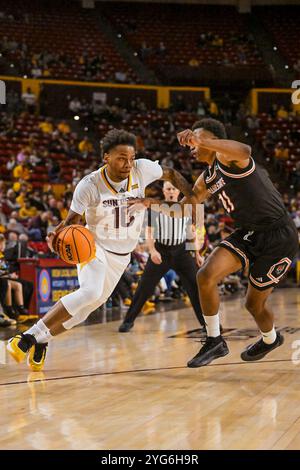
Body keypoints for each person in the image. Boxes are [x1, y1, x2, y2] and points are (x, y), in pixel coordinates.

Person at [7, 129, 193, 371]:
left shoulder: (142, 169)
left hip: (122, 255)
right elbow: (73, 220)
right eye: (121, 158)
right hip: (95, 247)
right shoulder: (89, 184)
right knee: (91, 291)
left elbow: (170, 173)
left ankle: (42, 340)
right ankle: (27, 337)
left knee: (84, 312)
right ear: (106, 157)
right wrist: (58, 233)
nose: (128, 163)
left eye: (131, 157)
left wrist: (192, 198)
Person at [130, 118, 298, 367]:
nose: (192, 144)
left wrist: (201, 139)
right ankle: (214, 340)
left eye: (199, 139)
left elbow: (245, 150)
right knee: (205, 275)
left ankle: (271, 338)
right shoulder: (206, 177)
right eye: (194, 140)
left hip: (278, 236)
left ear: (213, 140)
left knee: (253, 304)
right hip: (248, 233)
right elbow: (186, 209)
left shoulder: (232, 158)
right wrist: (151, 203)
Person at [119, 181, 205, 332]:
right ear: (164, 192)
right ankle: (128, 321)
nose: (171, 191)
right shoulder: (156, 208)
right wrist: (152, 251)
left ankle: (206, 324)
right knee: (144, 287)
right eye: (168, 189)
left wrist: (197, 253)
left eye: (173, 188)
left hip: (182, 252)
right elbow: (149, 232)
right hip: (161, 251)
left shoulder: (187, 208)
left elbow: (191, 232)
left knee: (194, 288)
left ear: (178, 192)